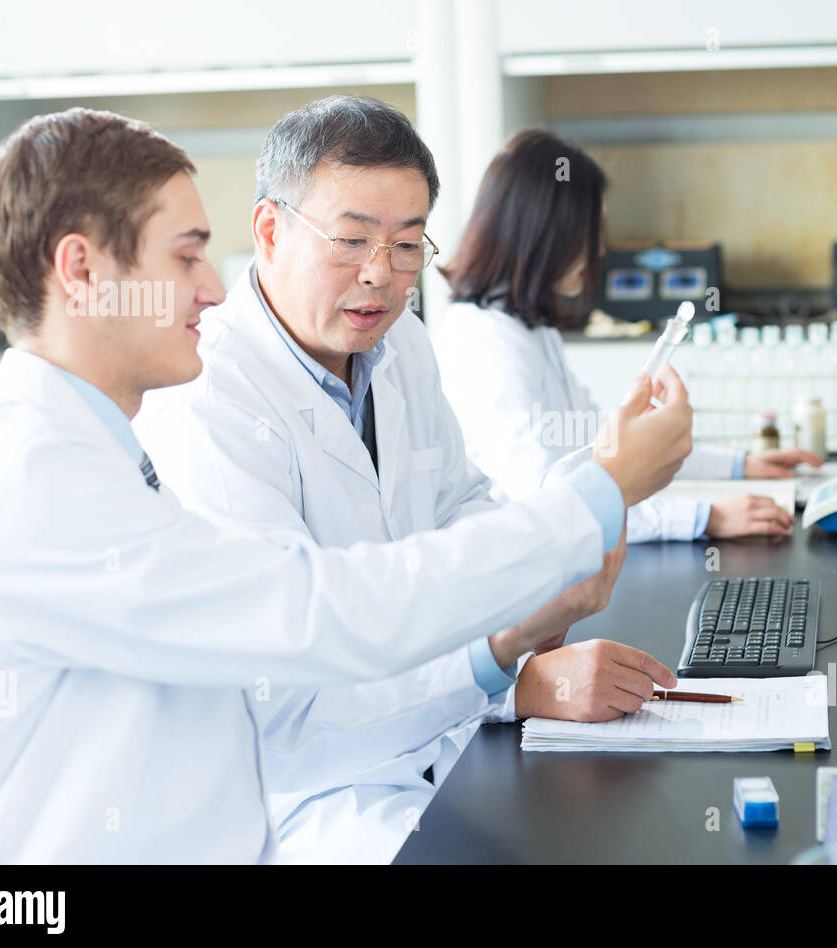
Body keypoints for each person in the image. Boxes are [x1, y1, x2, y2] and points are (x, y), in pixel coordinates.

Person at [0, 108, 691, 863]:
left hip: (358, 769)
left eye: (408, 243)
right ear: (82, 271)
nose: (213, 291)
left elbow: (429, 533)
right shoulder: (36, 480)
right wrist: (594, 499)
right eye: (185, 258)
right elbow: (320, 615)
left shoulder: (88, 451)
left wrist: (523, 616)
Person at [133, 96, 681, 863]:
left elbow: (462, 507)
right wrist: (504, 665)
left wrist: (537, 606)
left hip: (435, 742)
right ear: (269, 230)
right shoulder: (209, 400)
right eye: (352, 239)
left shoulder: (404, 348)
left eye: (406, 245)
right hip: (304, 804)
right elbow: (293, 704)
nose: (380, 277)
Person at [433, 129, 820, 544]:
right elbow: (552, 501)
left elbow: (599, 440)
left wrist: (738, 464)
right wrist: (705, 518)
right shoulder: (483, 344)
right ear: (542, 232)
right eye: (589, 231)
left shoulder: (527, 328)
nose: (599, 249)